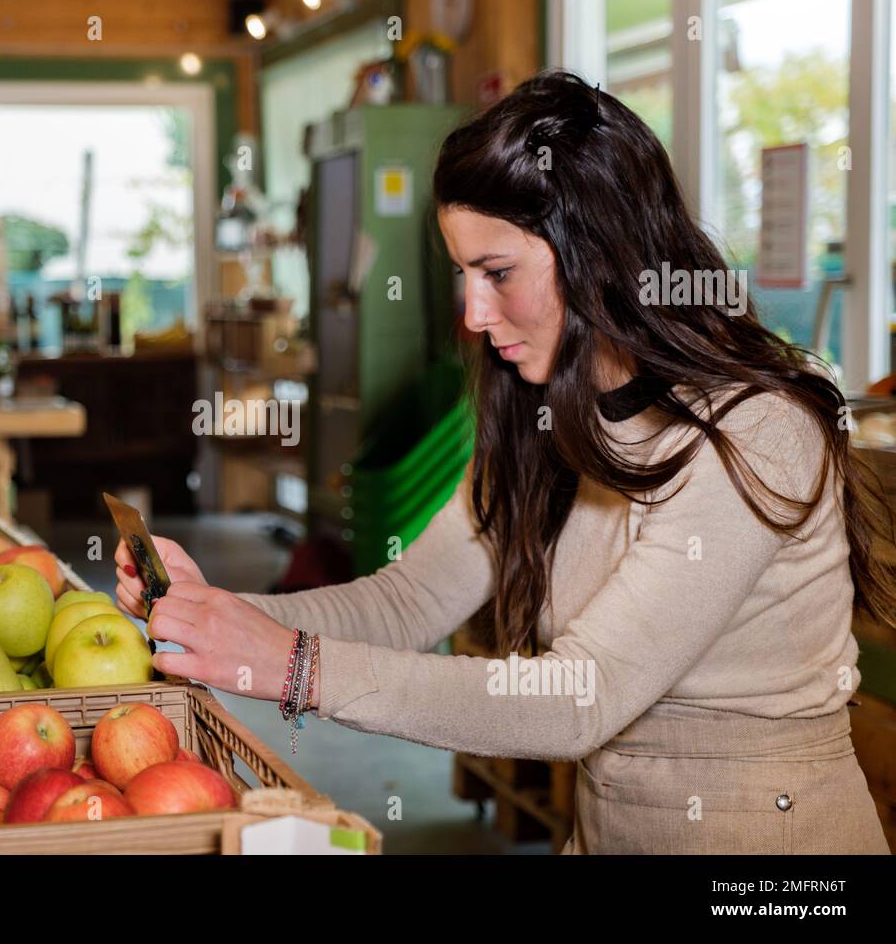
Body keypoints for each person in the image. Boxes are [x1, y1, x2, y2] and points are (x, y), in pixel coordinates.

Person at [114, 72, 896, 854]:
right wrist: (210, 615)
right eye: (463, 275)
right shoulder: (545, 412)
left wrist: (290, 667)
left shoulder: (756, 432)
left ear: (599, 252)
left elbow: (578, 699)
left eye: (497, 273)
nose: (473, 315)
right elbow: (406, 603)